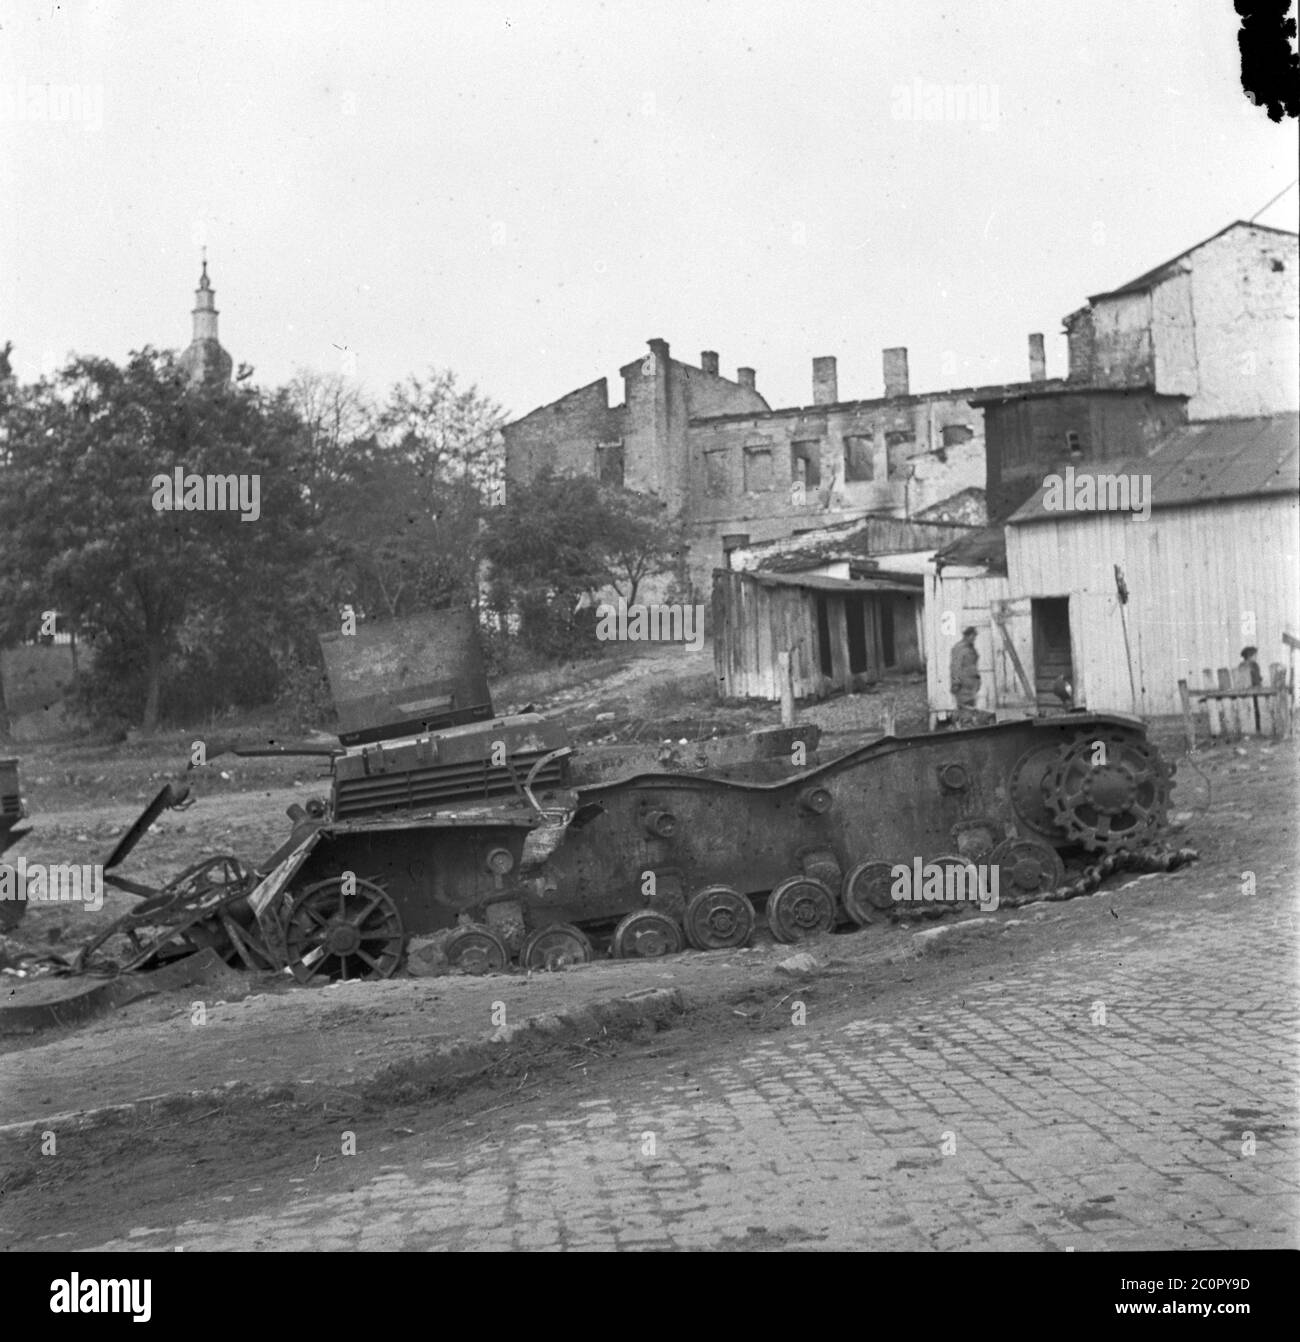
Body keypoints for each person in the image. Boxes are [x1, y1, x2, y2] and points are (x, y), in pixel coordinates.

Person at [949, 626, 981, 725]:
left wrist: (978, 680)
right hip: (963, 685)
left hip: (971, 685)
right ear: (967, 636)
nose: (974, 639)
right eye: (973, 636)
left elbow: (973, 664)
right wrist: (956, 682)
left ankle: (965, 726)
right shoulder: (959, 648)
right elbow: (955, 667)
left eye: (975, 637)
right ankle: (963, 728)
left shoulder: (970, 648)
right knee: (965, 709)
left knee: (969, 709)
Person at [1234, 646, 1263, 732]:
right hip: (1254, 690)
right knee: (1257, 709)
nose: (1256, 657)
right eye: (1255, 655)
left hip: (1243, 691)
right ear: (1251, 656)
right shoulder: (1254, 665)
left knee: (1247, 709)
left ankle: (1249, 728)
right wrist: (1259, 683)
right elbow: (1256, 678)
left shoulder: (1241, 665)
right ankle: (1258, 727)